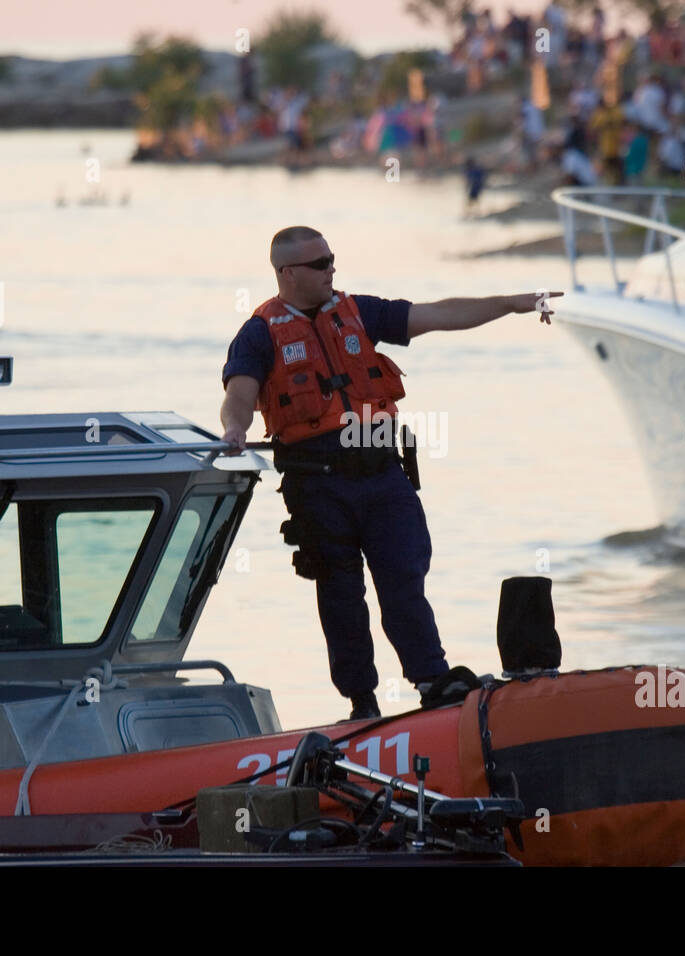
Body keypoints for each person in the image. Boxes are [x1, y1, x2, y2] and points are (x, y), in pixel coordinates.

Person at [219, 226, 560, 720]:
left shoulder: (360, 312)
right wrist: (233, 430)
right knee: (340, 594)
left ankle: (431, 680)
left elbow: (440, 314)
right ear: (287, 274)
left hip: (382, 475)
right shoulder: (259, 333)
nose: (332, 268)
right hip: (317, 484)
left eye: (332, 259)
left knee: (404, 576)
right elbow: (240, 394)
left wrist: (511, 302)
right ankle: (362, 703)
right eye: (320, 264)